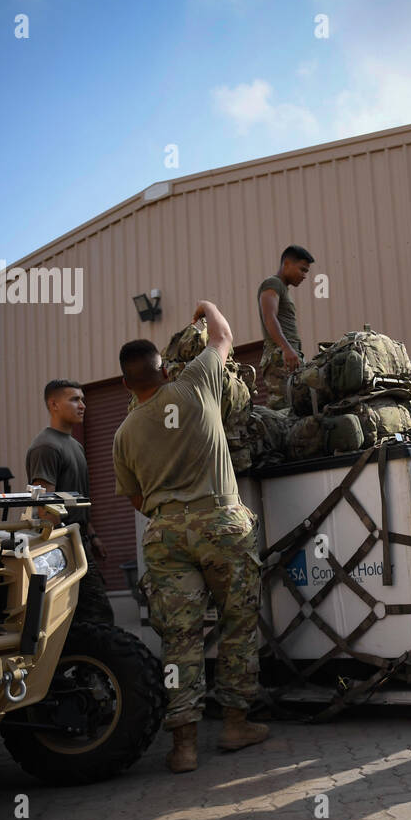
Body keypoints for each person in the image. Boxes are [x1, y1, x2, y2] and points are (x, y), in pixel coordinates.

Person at [113, 300, 266, 773]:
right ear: (164, 370)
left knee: (180, 638)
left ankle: (184, 746)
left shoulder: (123, 433)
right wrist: (205, 308)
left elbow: (136, 499)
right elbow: (223, 336)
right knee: (238, 625)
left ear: (125, 384)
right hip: (221, 524)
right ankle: (236, 724)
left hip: (165, 535)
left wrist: (171, 512)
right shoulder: (197, 383)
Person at [25, 380, 116, 628]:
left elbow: (79, 501)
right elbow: (46, 507)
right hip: (64, 546)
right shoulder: (46, 446)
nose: (82, 405)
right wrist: (64, 552)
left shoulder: (75, 445)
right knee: (97, 618)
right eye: (75, 399)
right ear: (54, 404)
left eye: (82, 399)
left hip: (80, 540)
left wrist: (93, 536)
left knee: (88, 620)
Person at [258, 245, 315, 409]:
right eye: (302, 270)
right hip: (280, 355)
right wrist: (286, 348)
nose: (304, 276)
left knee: (295, 407)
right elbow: (269, 317)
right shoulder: (272, 284)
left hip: (288, 355)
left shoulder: (281, 288)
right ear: (287, 264)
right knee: (282, 408)